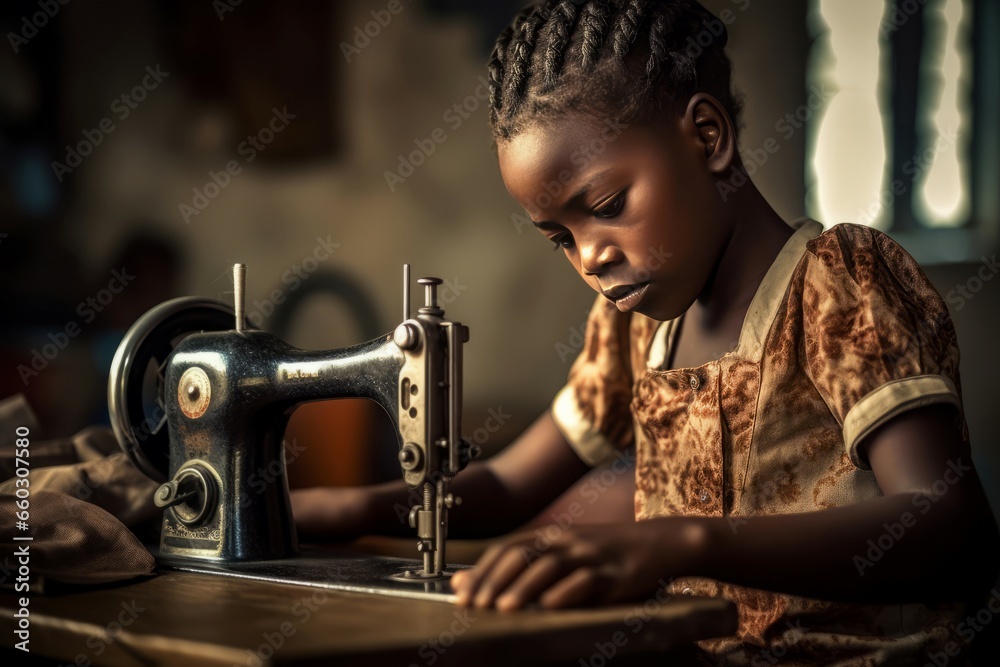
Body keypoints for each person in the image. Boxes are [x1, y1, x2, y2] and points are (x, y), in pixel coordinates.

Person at [292, 1, 1000, 662]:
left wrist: (678, 541)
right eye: (560, 238)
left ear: (707, 137)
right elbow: (509, 485)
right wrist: (350, 507)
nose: (589, 256)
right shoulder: (633, 334)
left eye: (606, 205)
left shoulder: (836, 286)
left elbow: (951, 529)